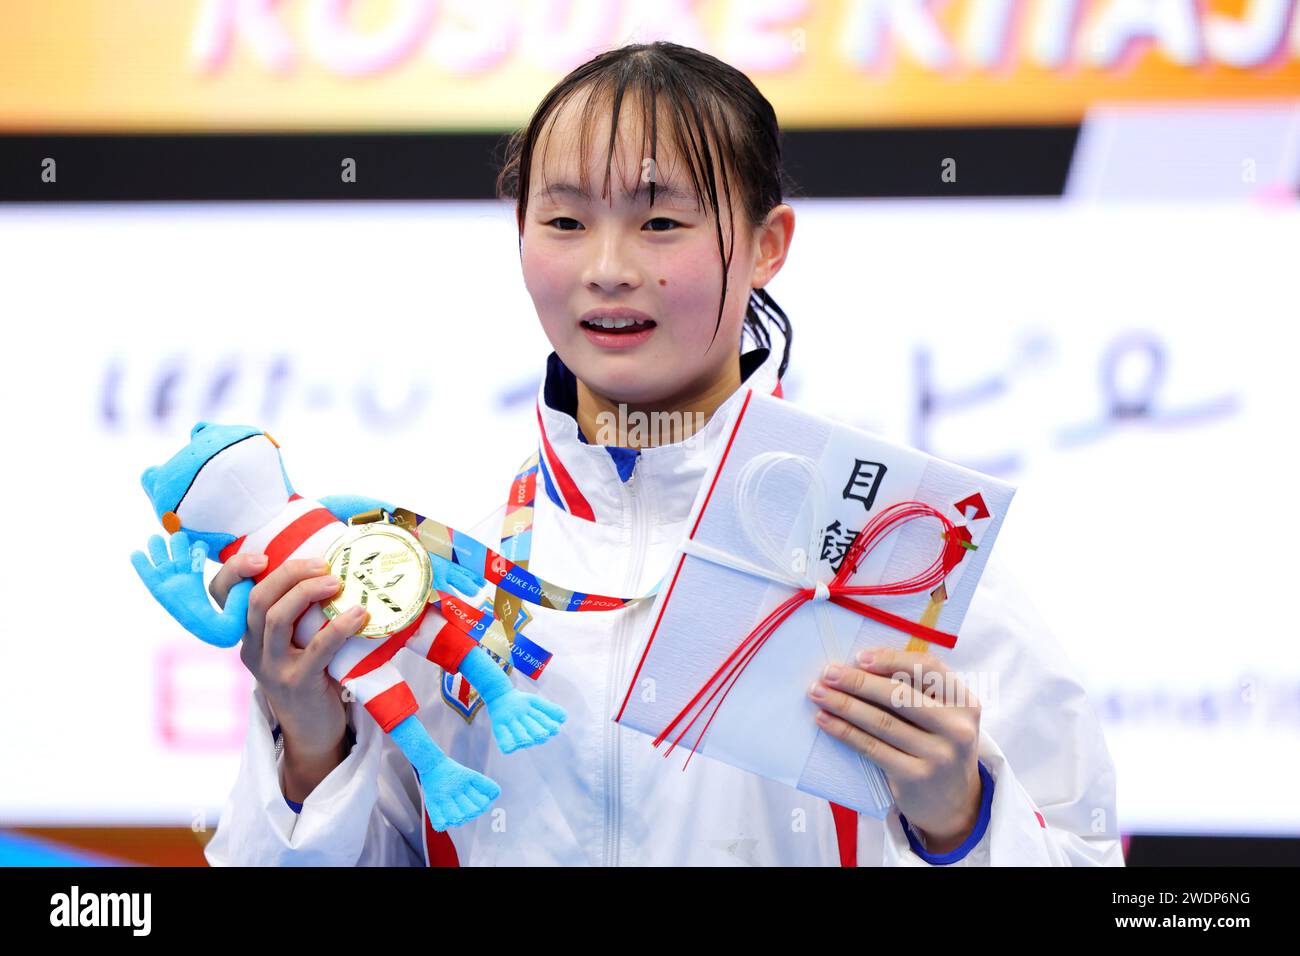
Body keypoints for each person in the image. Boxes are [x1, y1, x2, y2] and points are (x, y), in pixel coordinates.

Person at [202, 41, 1122, 866]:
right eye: (564, 222)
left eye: (661, 222)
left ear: (767, 245)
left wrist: (958, 822)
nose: (608, 266)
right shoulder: (443, 569)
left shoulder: (901, 560)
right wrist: (309, 745)